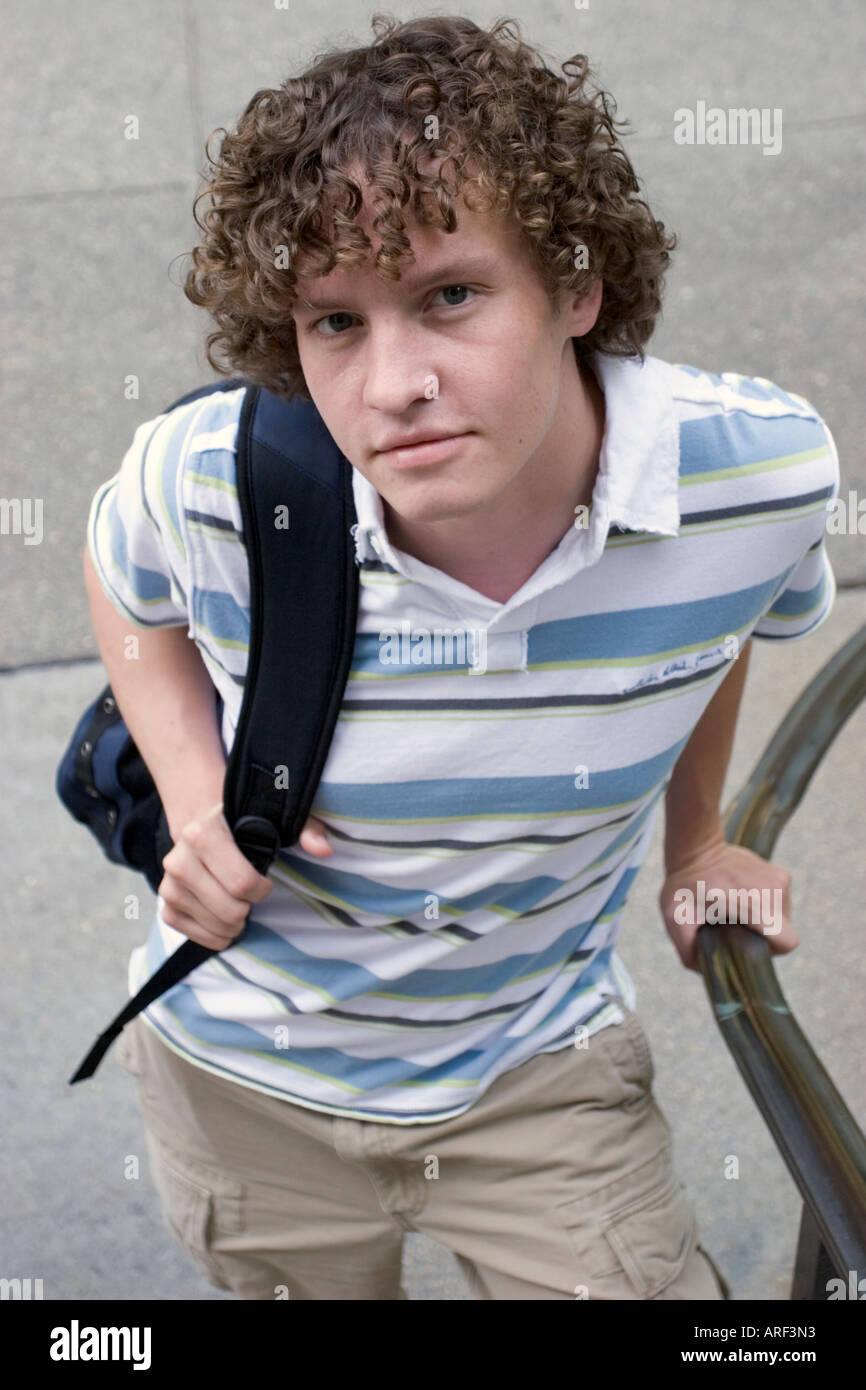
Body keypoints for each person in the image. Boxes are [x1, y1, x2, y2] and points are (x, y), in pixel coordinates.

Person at [83, 14, 839, 1300]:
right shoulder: (215, 477)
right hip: (240, 1073)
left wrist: (695, 837)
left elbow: (718, 624)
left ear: (577, 287)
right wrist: (196, 794)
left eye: (450, 296)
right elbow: (123, 585)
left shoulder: (751, 479)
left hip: (534, 1072)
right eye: (332, 322)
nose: (393, 385)